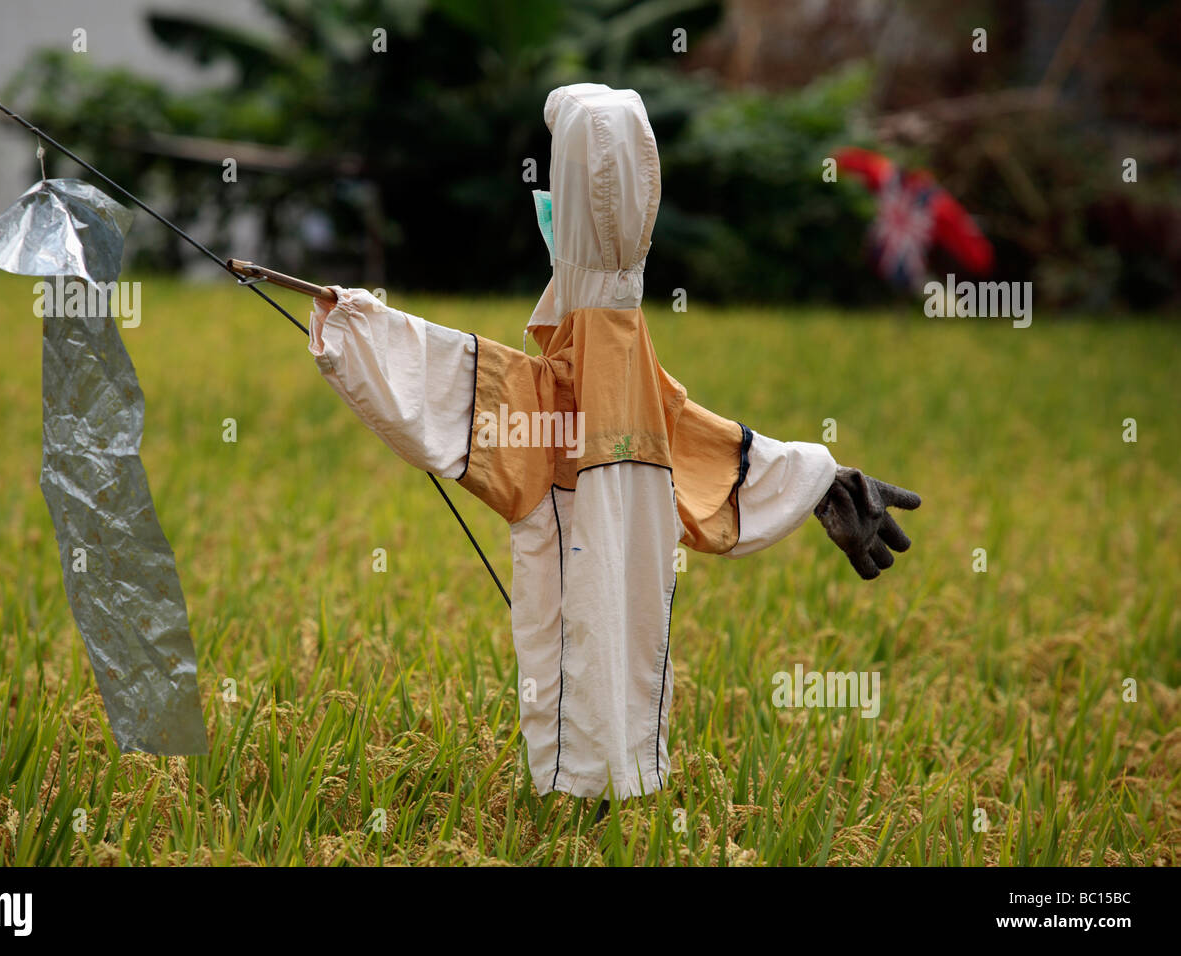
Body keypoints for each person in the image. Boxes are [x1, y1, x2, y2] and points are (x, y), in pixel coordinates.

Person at [306, 83, 920, 802]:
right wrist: (819, 479)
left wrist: (350, 321)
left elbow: (442, 380)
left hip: (570, 745)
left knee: (582, 752)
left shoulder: (557, 390)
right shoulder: (636, 382)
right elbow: (714, 457)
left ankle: (579, 807)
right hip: (631, 708)